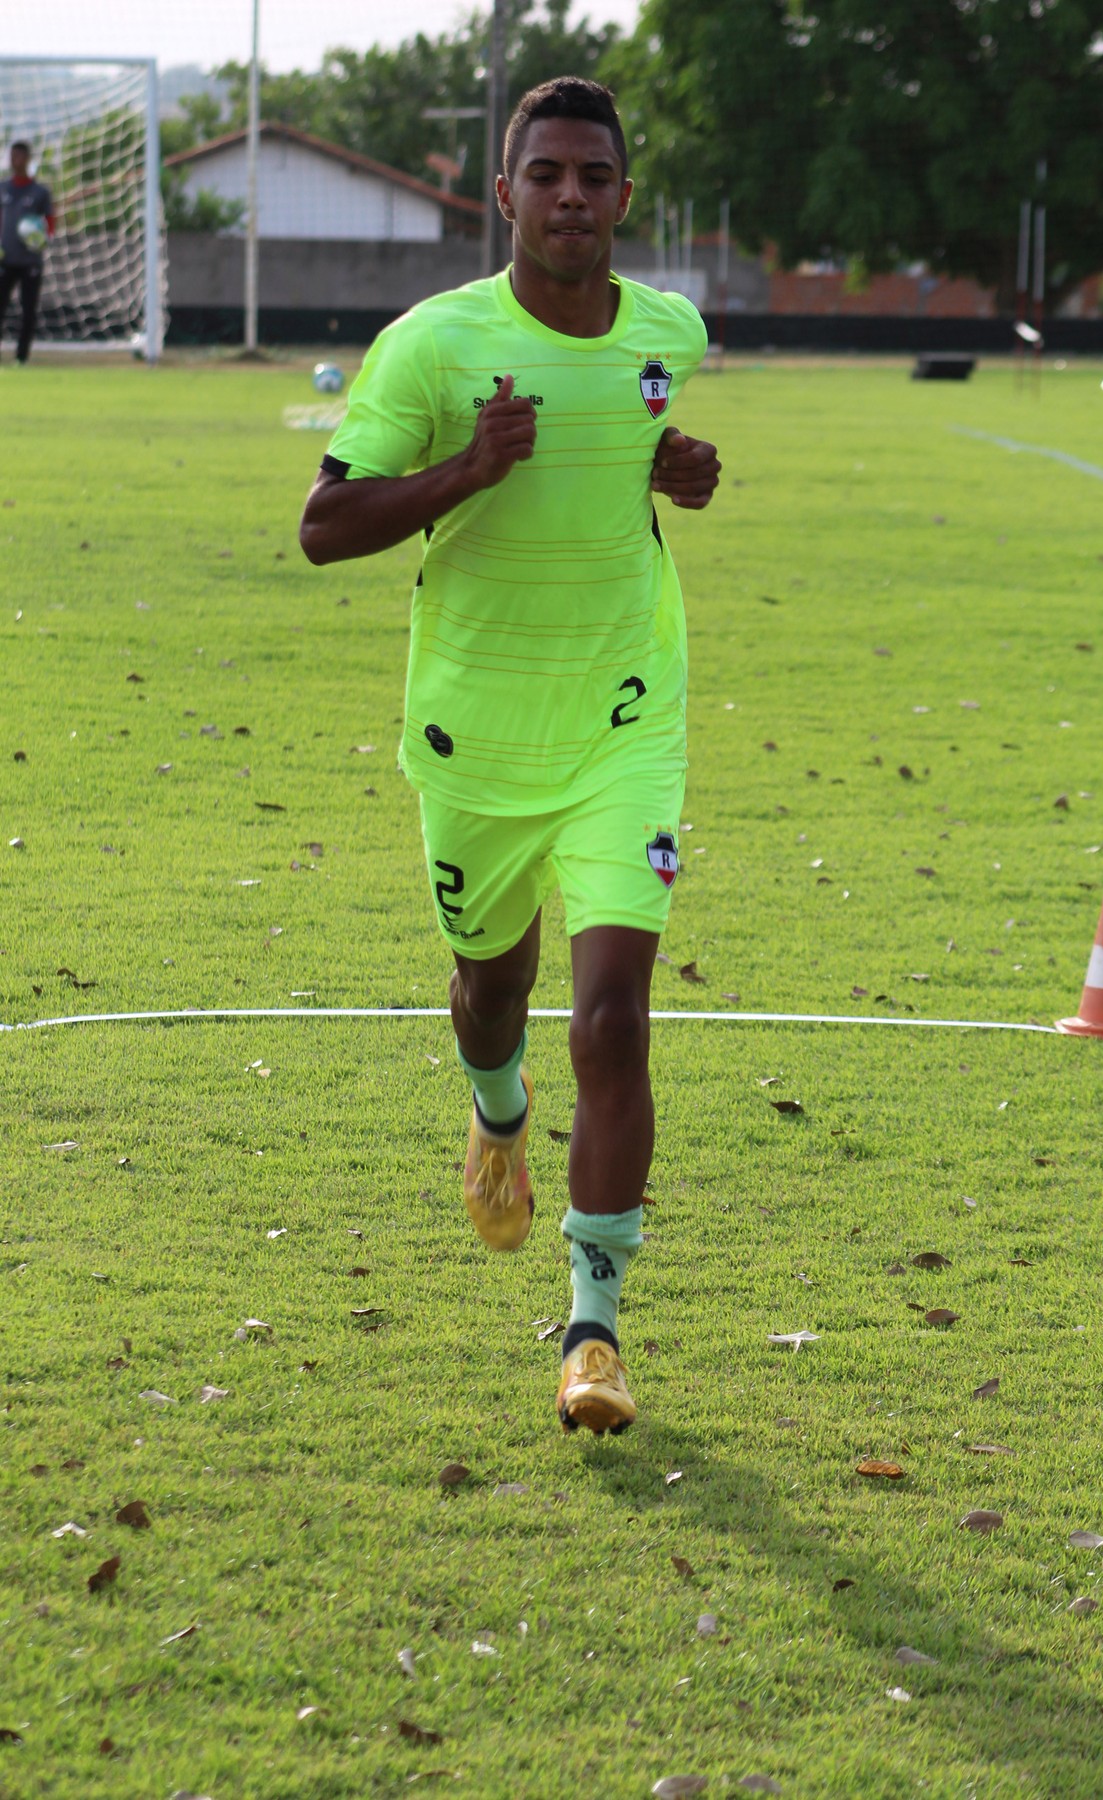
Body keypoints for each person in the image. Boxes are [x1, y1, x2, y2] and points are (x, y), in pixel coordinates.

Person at [299, 77, 720, 1437]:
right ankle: (495, 1110)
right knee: (494, 990)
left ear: (624, 199)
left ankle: (593, 1328)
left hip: (624, 719)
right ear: (506, 194)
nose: (572, 200)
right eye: (546, 176)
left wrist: (674, 462)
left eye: (595, 178)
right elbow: (324, 524)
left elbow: (629, 435)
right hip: (475, 733)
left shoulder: (671, 333)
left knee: (611, 1017)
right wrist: (463, 475)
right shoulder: (432, 349)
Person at [0, 141, 55, 365]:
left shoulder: (40, 192)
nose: (14, 161)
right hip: (6, 259)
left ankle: (21, 358)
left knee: (28, 311)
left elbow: (49, 224)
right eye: (11, 156)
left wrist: (39, 238)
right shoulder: (3, 188)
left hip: (30, 262)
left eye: (18, 157)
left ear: (27, 159)